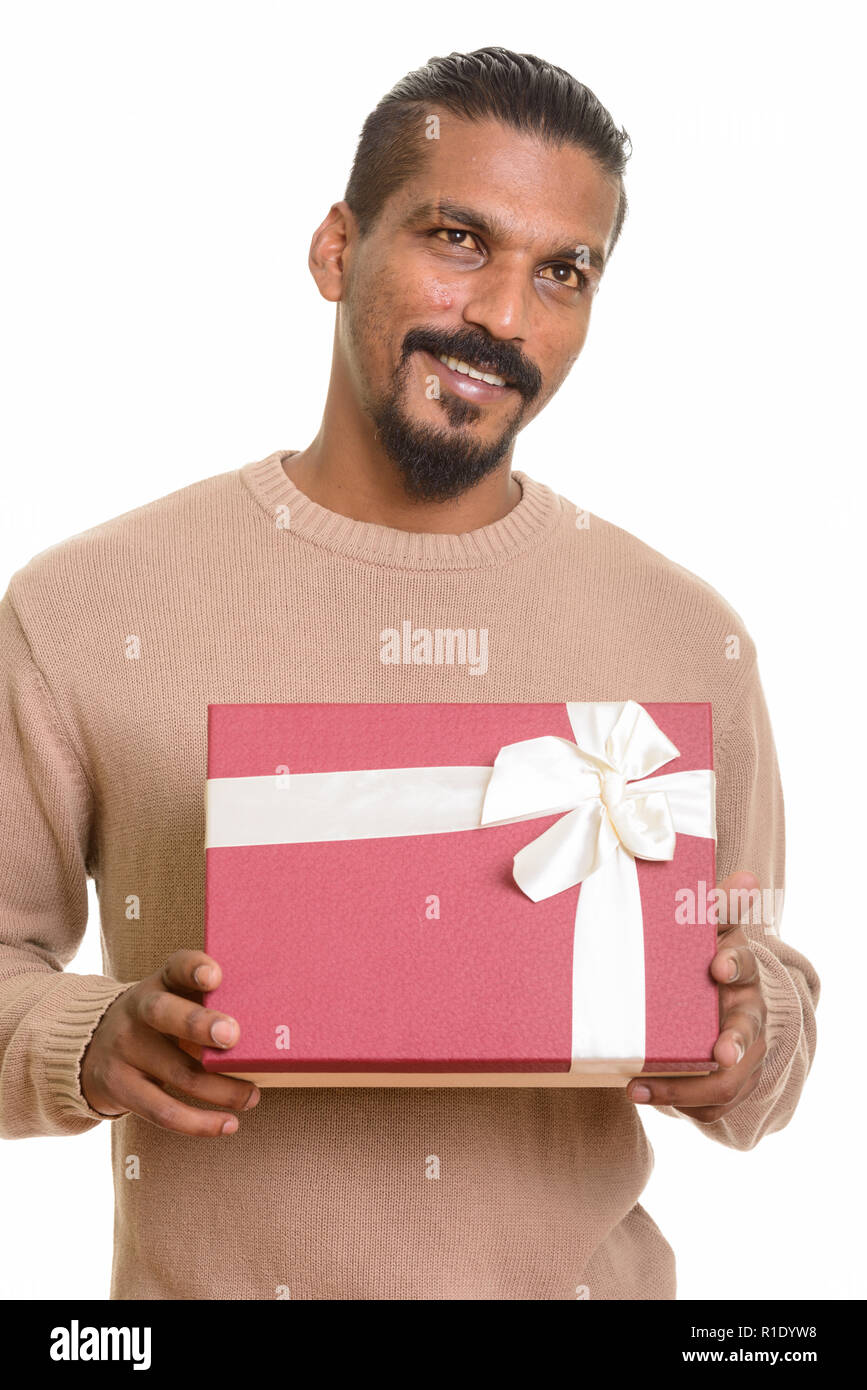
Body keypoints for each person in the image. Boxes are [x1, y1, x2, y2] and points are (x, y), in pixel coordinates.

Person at [0, 47, 819, 1300]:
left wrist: (752, 1037)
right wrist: (87, 1041)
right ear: (336, 249)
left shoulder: (683, 630)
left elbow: (756, 979)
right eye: (457, 237)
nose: (505, 314)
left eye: (563, 271)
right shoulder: (84, 608)